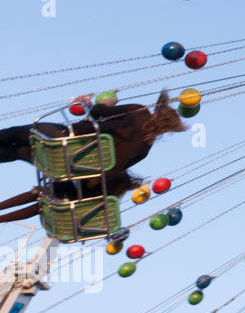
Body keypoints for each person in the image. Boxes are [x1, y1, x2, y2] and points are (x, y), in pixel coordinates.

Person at [0, 90, 184, 223]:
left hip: (63, 140)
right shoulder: (144, 150)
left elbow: (97, 113)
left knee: (12, 135)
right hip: (65, 165)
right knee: (19, 153)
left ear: (157, 113)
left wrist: (104, 105)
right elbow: (109, 170)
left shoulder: (139, 112)